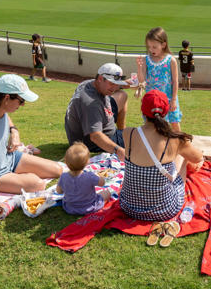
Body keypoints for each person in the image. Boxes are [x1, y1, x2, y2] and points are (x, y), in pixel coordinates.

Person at [0, 74, 63, 209]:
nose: (23, 104)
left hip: (10, 158)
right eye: (21, 100)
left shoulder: (3, 111)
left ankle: (17, 177)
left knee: (58, 170)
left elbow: (7, 120)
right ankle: (15, 178)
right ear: (7, 98)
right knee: (37, 184)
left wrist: (14, 131)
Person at [119, 90, 203, 245]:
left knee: (174, 158)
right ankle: (182, 173)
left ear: (142, 110)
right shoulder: (175, 140)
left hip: (128, 206)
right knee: (184, 158)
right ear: (166, 111)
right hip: (163, 210)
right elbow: (198, 157)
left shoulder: (128, 133)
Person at [64, 63, 129, 159]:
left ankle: (121, 131)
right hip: (92, 143)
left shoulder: (89, 84)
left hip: (93, 125)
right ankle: (121, 136)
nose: (115, 88)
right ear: (100, 79)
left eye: (117, 84)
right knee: (138, 139)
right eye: (112, 83)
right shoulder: (91, 103)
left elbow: (113, 87)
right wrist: (118, 150)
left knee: (122, 95)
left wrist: (125, 84)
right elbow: (95, 137)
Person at [136, 27, 182, 131]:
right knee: (153, 126)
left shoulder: (171, 60)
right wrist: (139, 67)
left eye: (154, 47)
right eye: (149, 47)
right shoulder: (146, 60)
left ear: (163, 45)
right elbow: (141, 80)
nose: (151, 50)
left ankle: (180, 141)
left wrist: (174, 100)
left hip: (168, 98)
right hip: (153, 100)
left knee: (174, 123)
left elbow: (175, 82)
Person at [56, 142, 111, 215]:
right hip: (90, 206)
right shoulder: (90, 176)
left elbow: (59, 191)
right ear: (87, 162)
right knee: (107, 193)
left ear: (65, 161)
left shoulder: (63, 176)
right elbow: (102, 183)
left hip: (70, 208)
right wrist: (101, 177)